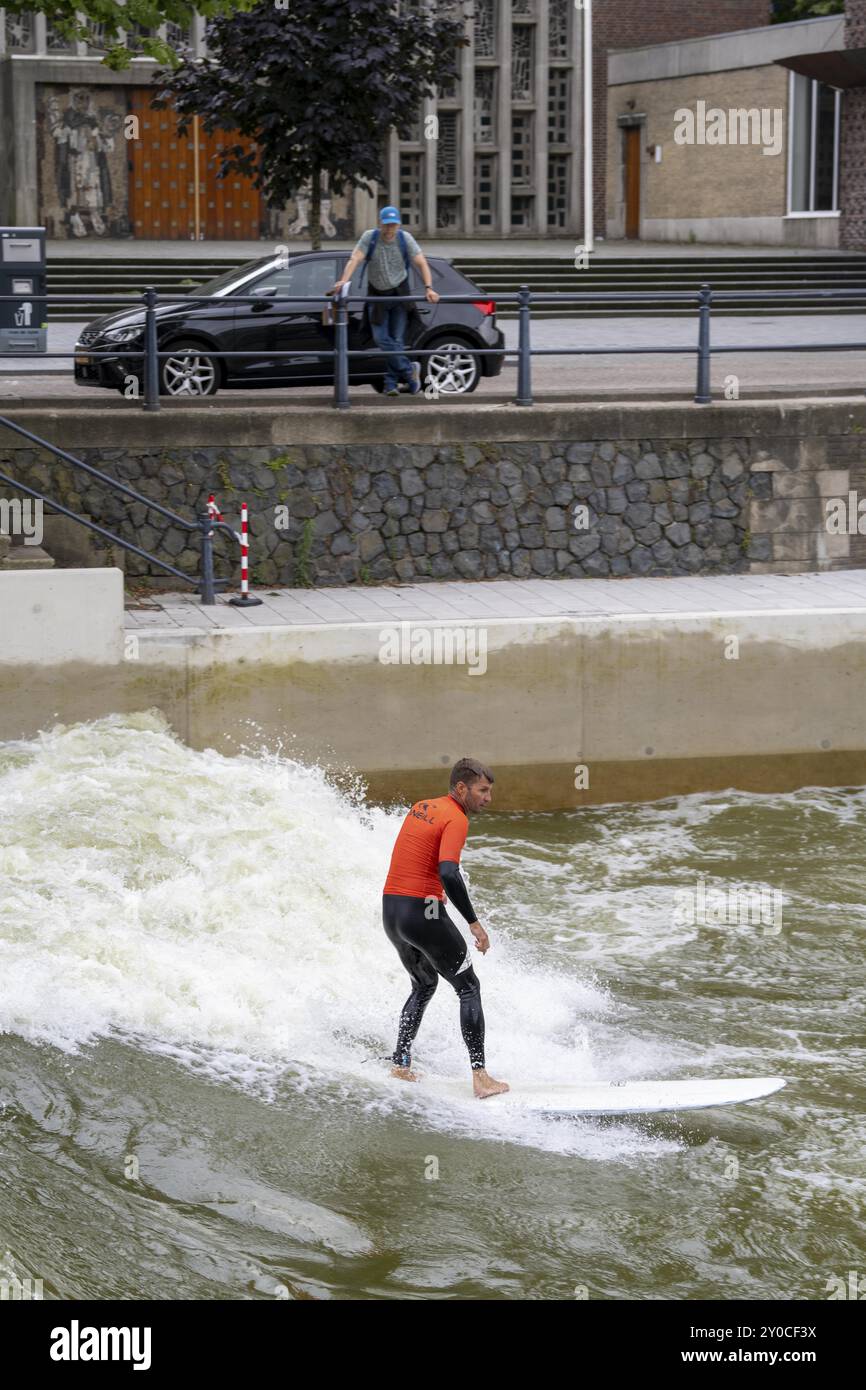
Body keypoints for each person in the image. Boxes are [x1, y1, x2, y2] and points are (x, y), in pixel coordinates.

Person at [381, 757, 509, 1099]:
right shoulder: (456, 818)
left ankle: (401, 1063)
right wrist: (474, 923)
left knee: (424, 983)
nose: (488, 798)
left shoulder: (421, 806)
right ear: (461, 788)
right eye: (482, 791)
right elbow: (448, 872)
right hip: (422, 911)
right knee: (468, 988)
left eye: (490, 791)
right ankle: (480, 1078)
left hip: (392, 910)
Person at [330, 205, 440, 397]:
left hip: (399, 294)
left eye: (393, 225)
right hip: (377, 295)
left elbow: (421, 262)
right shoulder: (370, 238)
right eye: (386, 225)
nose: (389, 229)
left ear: (398, 225)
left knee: (396, 340)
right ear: (380, 223)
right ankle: (409, 372)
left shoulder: (405, 239)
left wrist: (429, 288)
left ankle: (390, 384)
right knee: (382, 338)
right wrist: (344, 280)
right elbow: (355, 259)